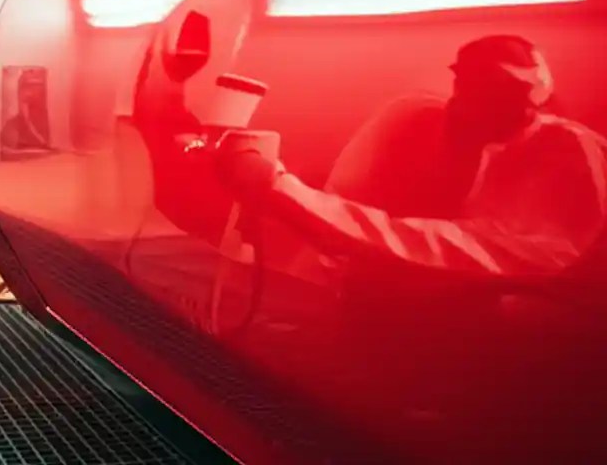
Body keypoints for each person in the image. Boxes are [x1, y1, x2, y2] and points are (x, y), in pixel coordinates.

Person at [211, 34, 607, 460]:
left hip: (546, 373)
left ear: (528, 96)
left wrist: (281, 190)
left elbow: (467, 251)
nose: (466, 103)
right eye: (465, 86)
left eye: (491, 90)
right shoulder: (470, 141)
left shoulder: (567, 150)